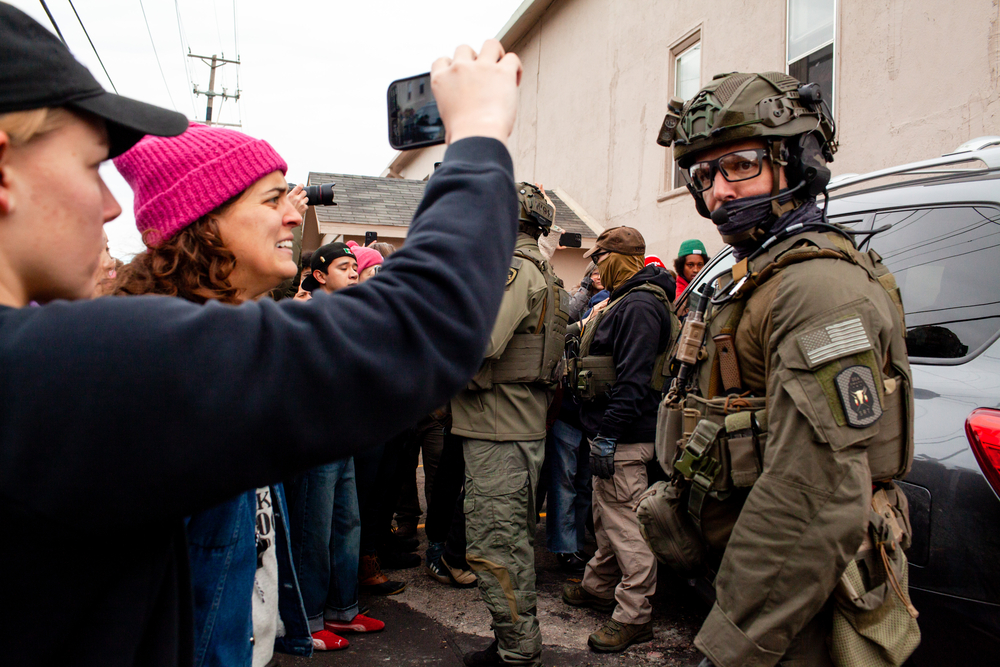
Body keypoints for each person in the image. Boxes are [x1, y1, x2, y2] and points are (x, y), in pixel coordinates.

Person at [0, 3, 525, 664]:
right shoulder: (65, 367)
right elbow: (419, 324)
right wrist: (478, 135)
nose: (110, 208)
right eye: (89, 166)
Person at [654, 71, 916, 666]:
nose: (717, 192)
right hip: (769, 580)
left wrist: (731, 647)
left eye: (739, 164)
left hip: (803, 597)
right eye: (703, 175)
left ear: (794, 160)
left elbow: (815, 495)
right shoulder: (757, 274)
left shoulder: (817, 288)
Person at [111, 122, 317, 666]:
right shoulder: (158, 373)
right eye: (273, 198)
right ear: (204, 221)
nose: (294, 214)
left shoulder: (234, 347)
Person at [454, 183, 569, 667]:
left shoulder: (513, 270)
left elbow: (478, 343)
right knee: (509, 543)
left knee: (496, 546)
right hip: (511, 423)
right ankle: (514, 641)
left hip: (499, 428)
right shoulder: (541, 269)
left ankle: (517, 650)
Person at [560, 226, 674, 654]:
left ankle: (634, 616)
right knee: (608, 520)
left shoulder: (640, 305)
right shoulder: (627, 299)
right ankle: (598, 586)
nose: (594, 266)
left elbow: (633, 381)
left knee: (629, 531)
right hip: (610, 432)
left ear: (618, 258)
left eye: (599, 257)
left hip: (624, 436)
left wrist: (609, 435)